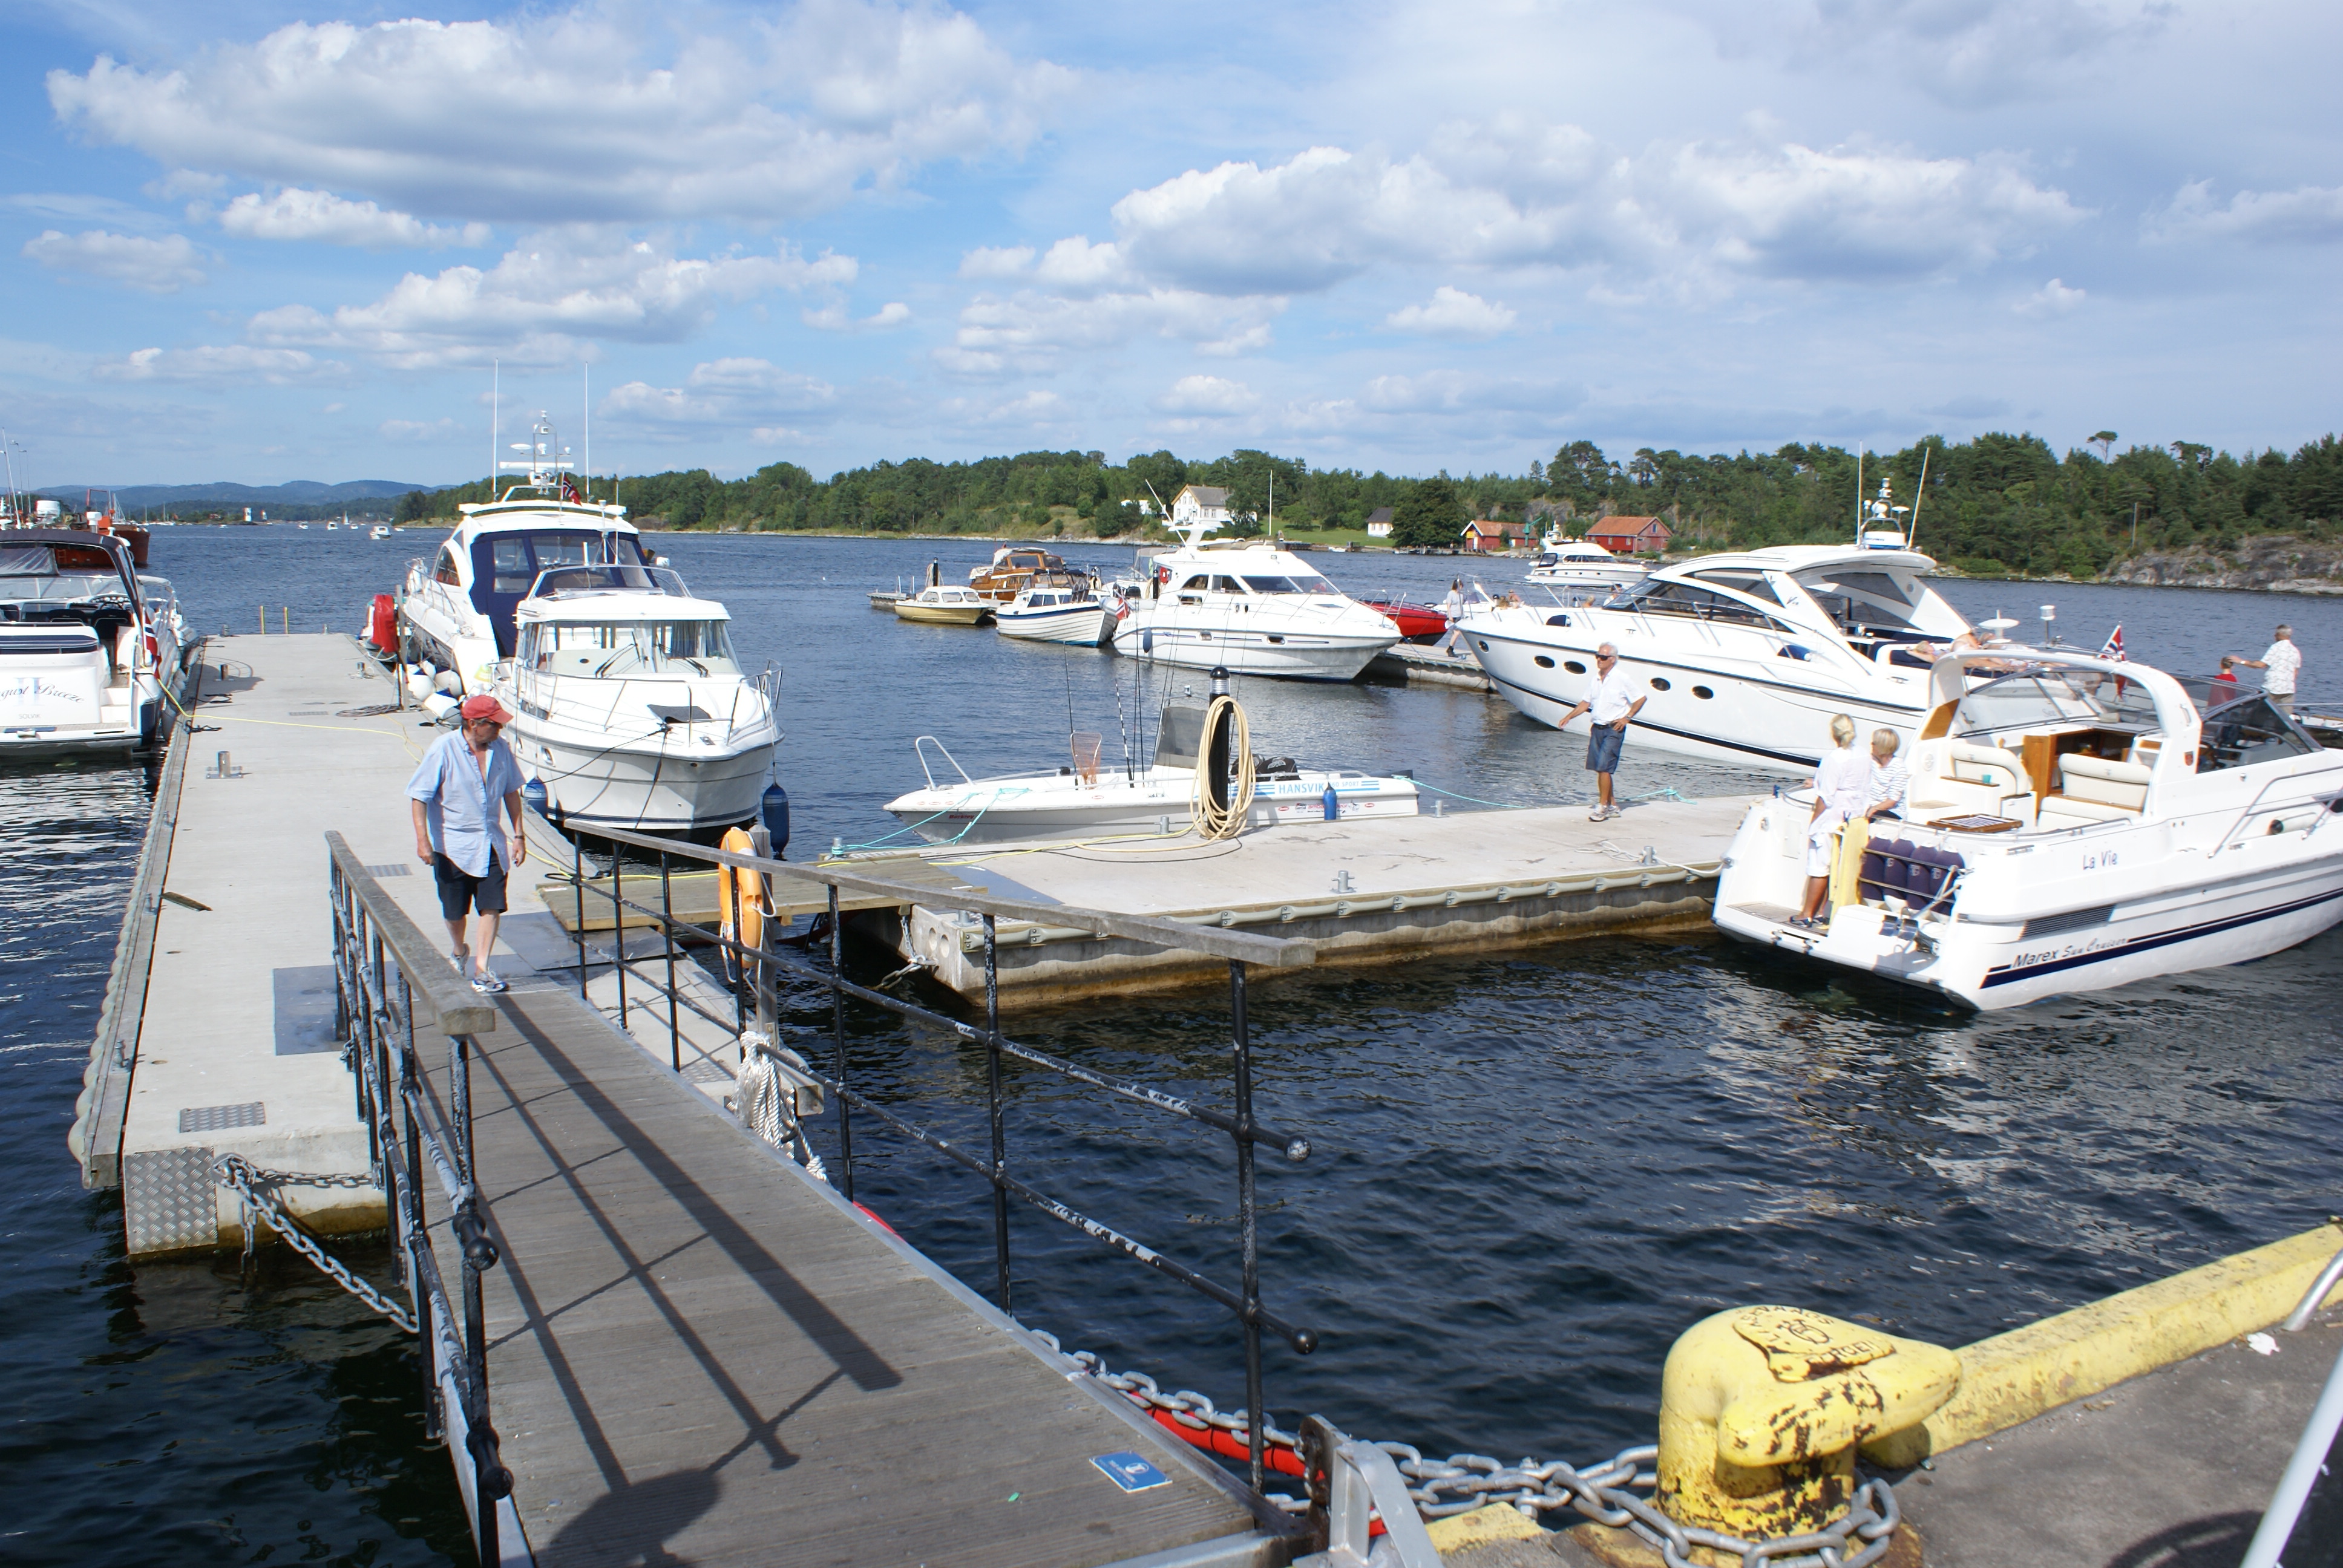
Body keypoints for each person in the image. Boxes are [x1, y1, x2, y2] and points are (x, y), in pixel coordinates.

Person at [409, 693, 528, 994]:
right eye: (494, 724)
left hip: (491, 841)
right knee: (454, 912)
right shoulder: (443, 749)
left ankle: (482, 969)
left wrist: (519, 836)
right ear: (474, 724)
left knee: (492, 906)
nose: (499, 730)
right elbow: (419, 796)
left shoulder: (501, 749)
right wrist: (423, 841)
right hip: (452, 845)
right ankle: (459, 949)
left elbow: (511, 792)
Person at [1553, 642, 1645, 820]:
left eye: (1603, 657)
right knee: (1600, 768)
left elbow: (1640, 698)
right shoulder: (1595, 679)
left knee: (1605, 767)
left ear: (1613, 659)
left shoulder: (1621, 678)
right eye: (1597, 656)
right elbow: (1586, 702)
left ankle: (1602, 807)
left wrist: (1627, 717)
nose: (1599, 660)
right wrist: (1569, 717)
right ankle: (1612, 805)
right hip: (1597, 728)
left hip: (1613, 728)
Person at [1795, 714, 1869, 927]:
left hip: (1832, 817)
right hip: (1854, 816)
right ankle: (1822, 911)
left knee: (1819, 866)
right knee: (1837, 866)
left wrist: (1814, 822)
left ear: (1833, 733)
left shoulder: (1834, 758)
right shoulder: (1864, 754)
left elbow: (1825, 797)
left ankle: (1806, 914)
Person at [2233, 624, 2301, 714]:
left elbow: (2260, 665)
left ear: (2279, 635)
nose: (2274, 636)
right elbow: (2295, 673)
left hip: (2272, 688)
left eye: (2276, 634)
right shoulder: (2295, 651)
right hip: (2288, 690)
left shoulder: (2276, 647)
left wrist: (2241, 662)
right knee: (2285, 717)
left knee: (2262, 715)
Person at [1863, 729, 1909, 823]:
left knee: (1876, 816)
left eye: (1874, 743)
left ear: (1882, 746)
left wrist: (1874, 809)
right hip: (1870, 808)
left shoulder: (1899, 768)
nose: (1871, 745)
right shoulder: (1870, 761)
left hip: (1891, 812)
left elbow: (1892, 801)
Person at [1438, 579, 1467, 656]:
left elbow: (1463, 603)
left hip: (1460, 615)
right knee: (1456, 633)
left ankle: (1451, 648)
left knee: (1456, 634)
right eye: (1460, 586)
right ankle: (1450, 649)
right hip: (1453, 616)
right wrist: (1450, 616)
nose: (1461, 588)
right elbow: (1448, 606)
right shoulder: (1451, 594)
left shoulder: (1462, 595)